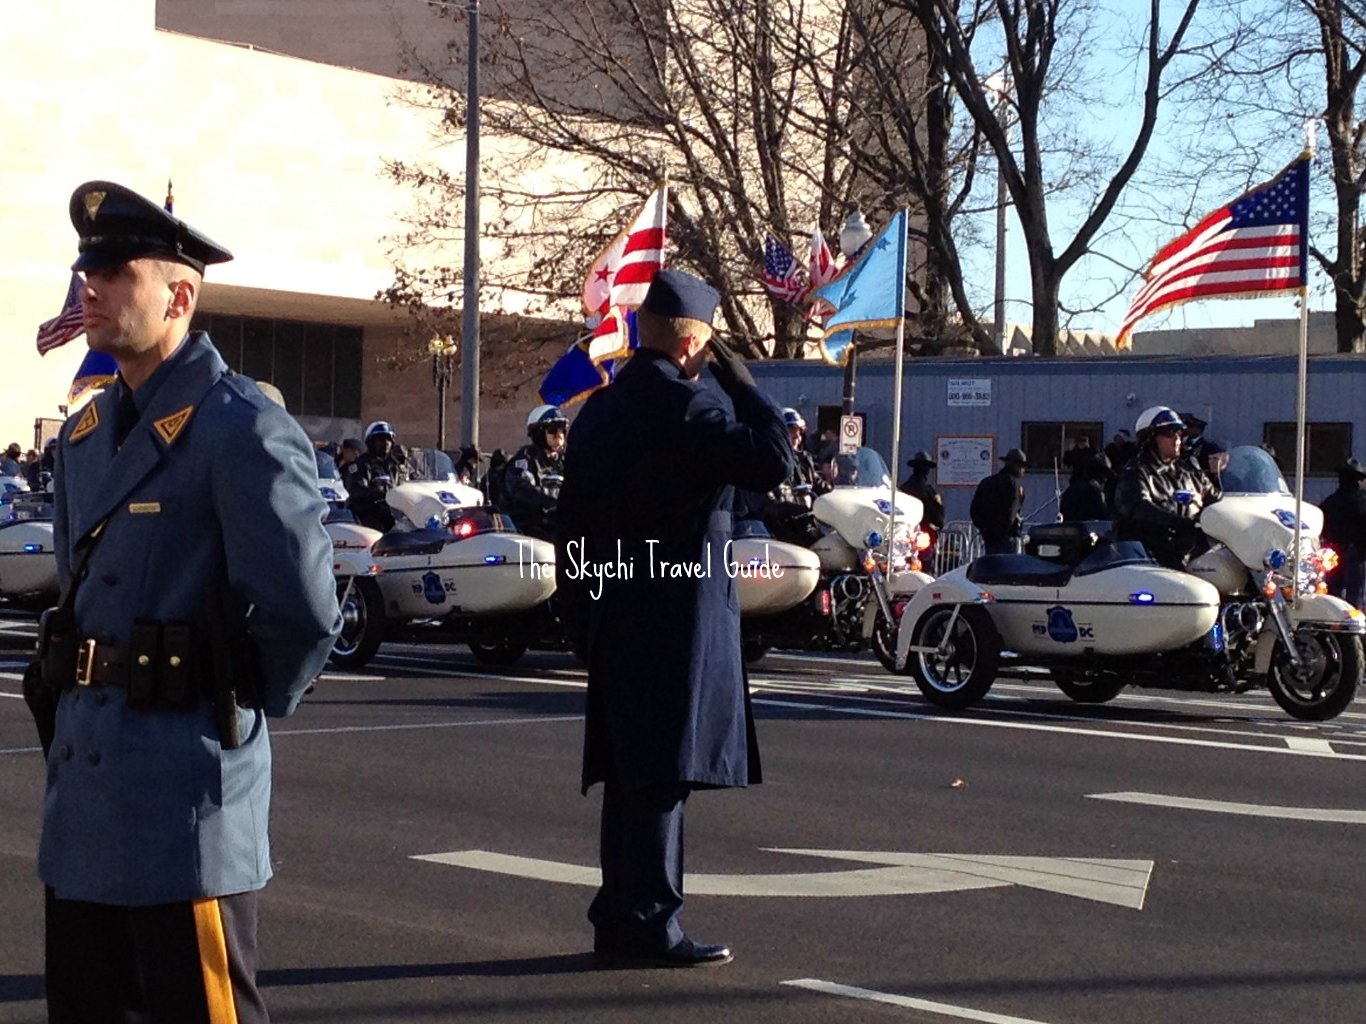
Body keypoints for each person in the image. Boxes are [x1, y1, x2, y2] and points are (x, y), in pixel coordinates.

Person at [38, 179, 340, 1023]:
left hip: (184, 801)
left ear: (179, 297)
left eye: (115, 273)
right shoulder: (84, 437)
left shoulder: (240, 426)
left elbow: (304, 612)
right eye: (87, 271)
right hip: (84, 803)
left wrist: (227, 699)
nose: (90, 287)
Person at [556, 268, 792, 969]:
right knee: (663, 772)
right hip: (677, 613)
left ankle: (618, 917)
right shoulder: (690, 408)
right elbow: (773, 459)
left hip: (615, 606)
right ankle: (651, 923)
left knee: (630, 773)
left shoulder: (600, 411)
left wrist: (581, 612)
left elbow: (572, 522)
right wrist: (743, 384)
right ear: (694, 344)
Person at [1112, 406, 1219, 569]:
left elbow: (1216, 499)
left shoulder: (1190, 469)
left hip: (1194, 554)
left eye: (1179, 432)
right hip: (1150, 560)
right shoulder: (1135, 473)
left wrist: (1223, 479)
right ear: (1150, 438)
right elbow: (1138, 509)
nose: (1177, 437)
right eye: (1169, 432)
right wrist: (1178, 524)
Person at [502, 404, 568, 540]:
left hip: (561, 524)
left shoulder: (566, 460)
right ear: (538, 432)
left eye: (562, 429)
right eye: (553, 430)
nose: (559, 435)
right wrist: (550, 502)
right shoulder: (525, 460)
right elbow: (522, 490)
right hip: (531, 530)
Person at [1317, 457, 1366, 608]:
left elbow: (1321, 528)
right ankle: (1352, 621)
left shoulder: (1329, 502)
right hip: (1354, 552)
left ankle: (1332, 619)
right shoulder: (1362, 501)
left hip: (1331, 552)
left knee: (1332, 593)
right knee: (1354, 595)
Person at [343, 420, 407, 532]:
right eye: (381, 439)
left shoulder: (395, 466)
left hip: (393, 514)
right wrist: (382, 495)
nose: (386, 443)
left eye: (388, 439)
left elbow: (407, 487)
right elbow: (357, 490)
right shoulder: (361, 465)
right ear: (371, 442)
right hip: (368, 516)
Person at [971, 448, 1028, 554]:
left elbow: (974, 510)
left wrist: (985, 529)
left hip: (989, 538)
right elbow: (1010, 514)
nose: (1023, 470)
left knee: (992, 563)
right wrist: (1000, 531)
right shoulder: (1013, 485)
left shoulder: (986, 482)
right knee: (1008, 564)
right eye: (1022, 467)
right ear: (1016, 466)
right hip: (1007, 538)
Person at [900, 450, 945, 533]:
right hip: (922, 530)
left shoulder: (903, 488)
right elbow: (938, 518)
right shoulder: (927, 491)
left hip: (906, 529)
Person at [1060, 453, 1112, 522]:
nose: (1106, 480)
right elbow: (1104, 519)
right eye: (1105, 476)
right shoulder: (1094, 494)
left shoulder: (1069, 492)